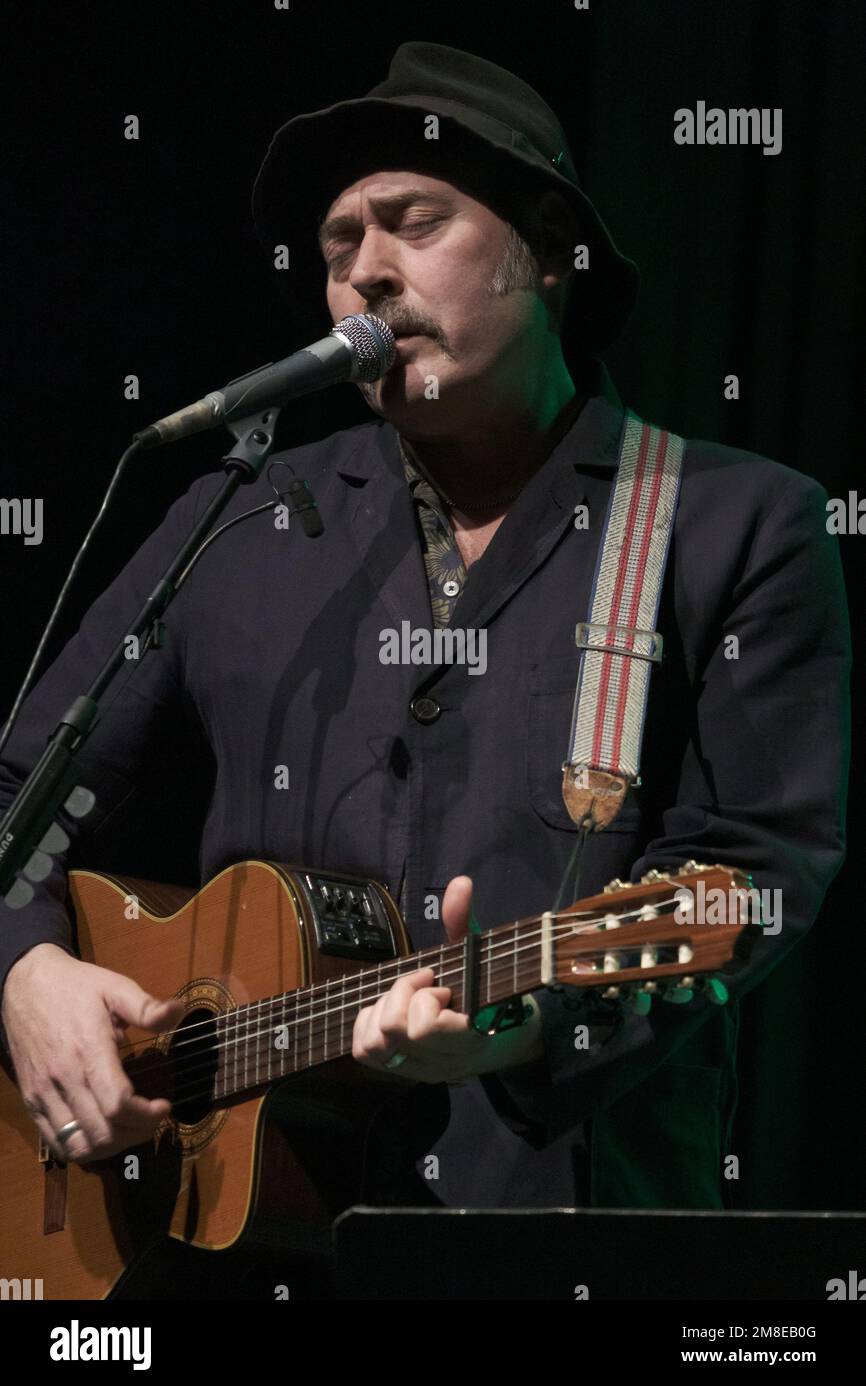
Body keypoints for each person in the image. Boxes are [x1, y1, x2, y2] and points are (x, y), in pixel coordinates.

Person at [0, 41, 850, 1247]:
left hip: (558, 1230)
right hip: (229, 1246)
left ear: (546, 249)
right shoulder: (242, 516)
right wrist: (24, 972)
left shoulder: (731, 521)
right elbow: (19, 794)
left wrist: (533, 1024)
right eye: (337, 245)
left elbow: (756, 869)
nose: (364, 272)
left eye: (413, 222)